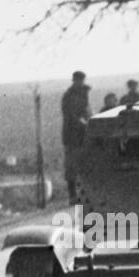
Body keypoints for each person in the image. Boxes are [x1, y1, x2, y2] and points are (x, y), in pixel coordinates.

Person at [61, 70, 91, 204]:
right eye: (78, 80)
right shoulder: (69, 96)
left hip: (83, 135)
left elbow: (87, 112)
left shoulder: (84, 94)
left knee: (85, 165)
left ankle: (84, 194)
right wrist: (82, 123)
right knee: (72, 167)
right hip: (72, 135)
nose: (80, 83)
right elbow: (70, 115)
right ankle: (73, 195)